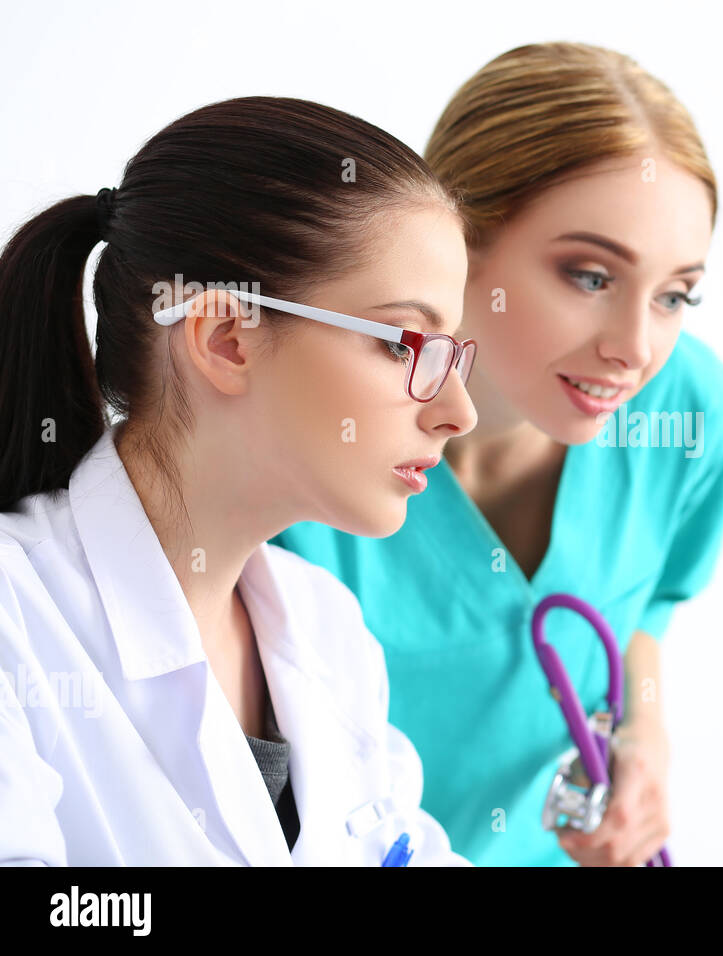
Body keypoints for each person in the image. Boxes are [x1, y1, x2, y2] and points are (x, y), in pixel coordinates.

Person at [271, 43, 723, 866]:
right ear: (459, 239)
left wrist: (646, 738)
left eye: (675, 295)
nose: (636, 349)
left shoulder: (685, 412)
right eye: (591, 277)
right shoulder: (307, 455)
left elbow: (647, 609)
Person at [0, 96, 478, 865]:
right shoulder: (16, 622)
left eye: (453, 354)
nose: (458, 412)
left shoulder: (326, 625)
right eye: (404, 345)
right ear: (227, 339)